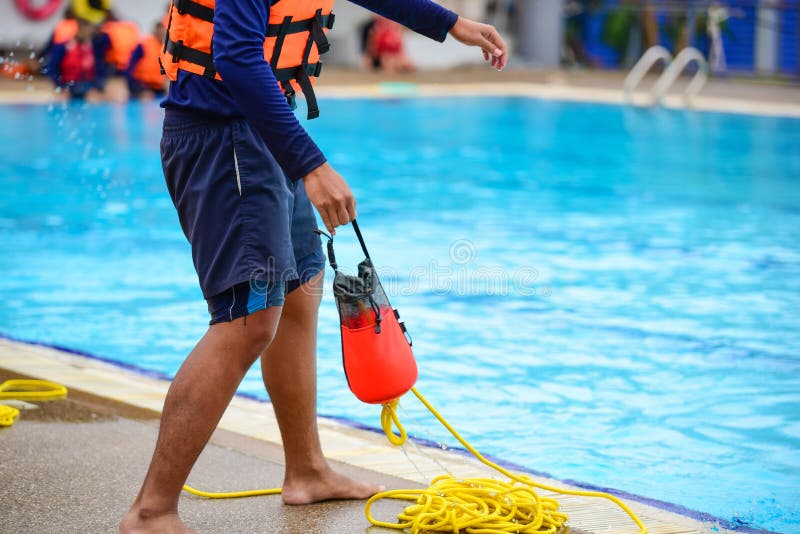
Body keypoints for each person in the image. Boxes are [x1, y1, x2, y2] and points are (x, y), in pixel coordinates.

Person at [119, 0, 506, 532]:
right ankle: (151, 511)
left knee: (302, 289)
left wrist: (448, 23)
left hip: (264, 129)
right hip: (221, 135)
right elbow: (234, 54)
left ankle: (306, 471)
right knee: (248, 319)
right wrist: (312, 166)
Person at [44, 18, 105, 100]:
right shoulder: (63, 47)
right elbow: (51, 68)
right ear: (78, 30)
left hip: (88, 86)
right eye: (85, 31)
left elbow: (99, 69)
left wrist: (98, 87)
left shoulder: (93, 48)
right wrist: (60, 86)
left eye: (90, 33)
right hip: (67, 86)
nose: (88, 35)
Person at [125, 23, 168, 99]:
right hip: (143, 85)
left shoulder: (167, 48)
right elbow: (130, 66)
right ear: (155, 32)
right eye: (160, 32)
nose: (162, 34)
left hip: (159, 87)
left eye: (163, 32)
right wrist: (134, 87)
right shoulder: (144, 45)